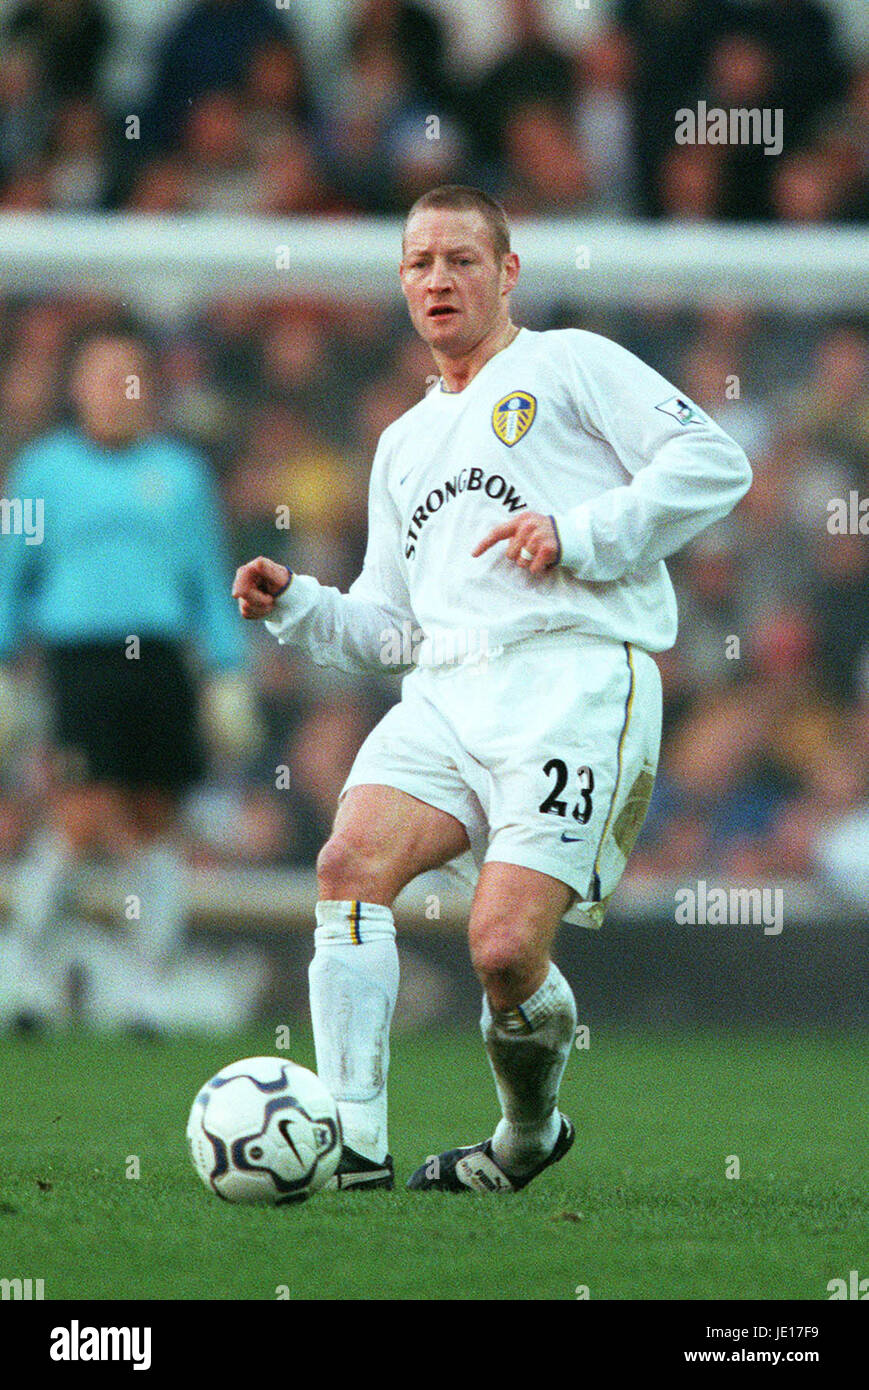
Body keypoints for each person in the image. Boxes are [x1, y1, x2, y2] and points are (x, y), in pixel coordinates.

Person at [233, 185, 752, 1193]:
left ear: (505, 272)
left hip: (573, 679)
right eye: (419, 262)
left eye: (461, 259)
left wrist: (579, 533)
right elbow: (392, 629)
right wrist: (299, 604)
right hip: (443, 691)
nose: (438, 278)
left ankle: (527, 1132)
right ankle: (353, 1148)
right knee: (345, 864)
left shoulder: (565, 362)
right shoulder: (399, 444)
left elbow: (711, 460)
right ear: (400, 282)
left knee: (504, 950)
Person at [0, 328, 259, 1029]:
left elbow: (208, 574)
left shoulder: (180, 474)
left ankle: (147, 984)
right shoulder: (41, 472)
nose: (118, 388)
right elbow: (9, 569)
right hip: (79, 661)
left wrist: (228, 670)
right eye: (102, 374)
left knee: (155, 819)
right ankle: (21, 970)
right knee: (80, 814)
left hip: (162, 661)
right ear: (76, 386)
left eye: (129, 374)